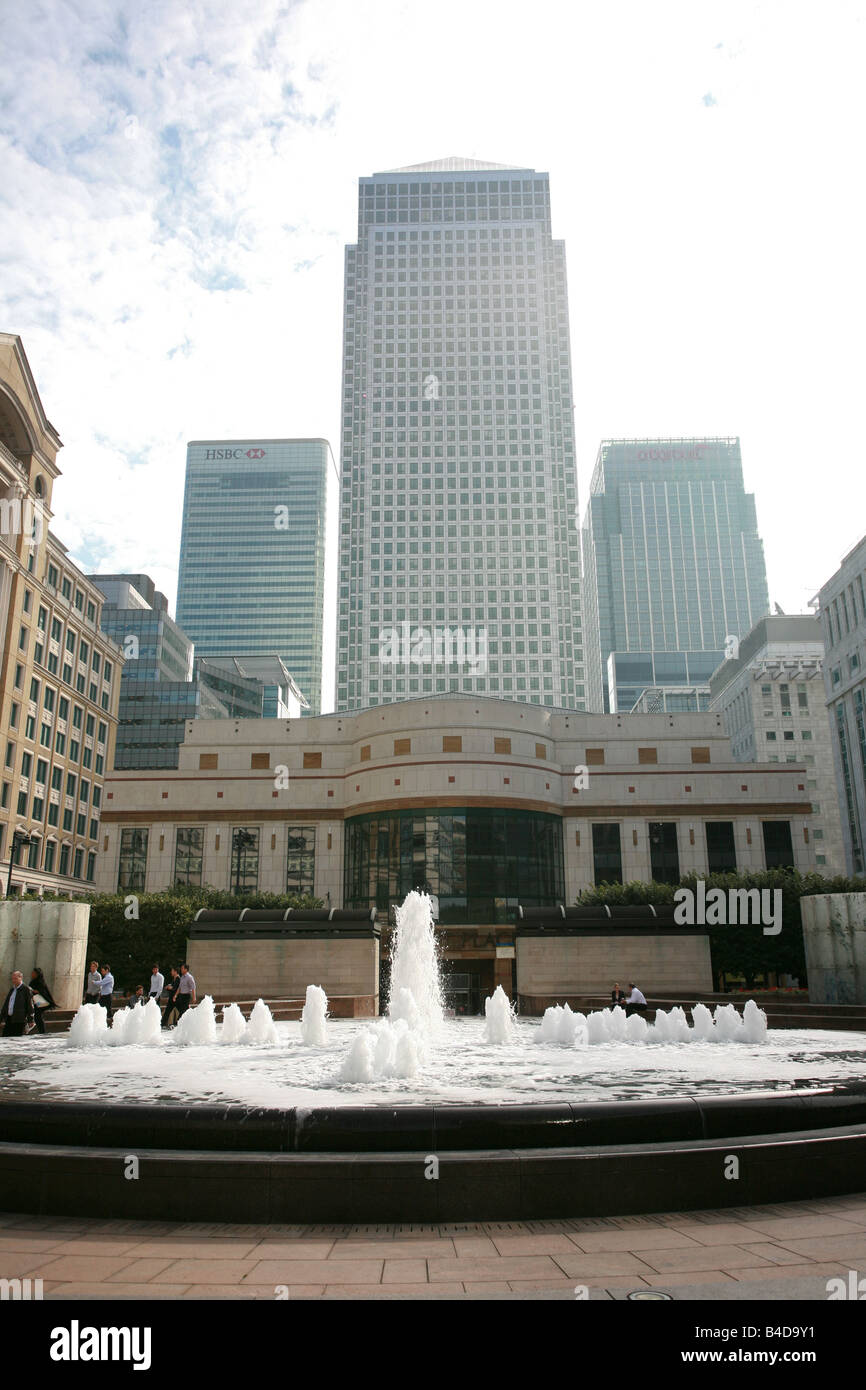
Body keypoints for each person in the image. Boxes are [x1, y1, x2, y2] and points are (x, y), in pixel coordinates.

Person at [2, 971, 34, 1038]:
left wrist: (30, 1019)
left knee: (16, 1039)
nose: (13, 980)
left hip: (19, 1020)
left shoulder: (26, 989)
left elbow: (30, 1005)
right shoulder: (12, 989)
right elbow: (6, 1004)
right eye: (12, 979)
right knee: (5, 1038)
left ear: (21, 978)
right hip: (9, 1019)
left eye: (15, 978)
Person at [30, 966, 57, 1035]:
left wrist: (37, 991)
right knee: (37, 1017)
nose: (32, 974)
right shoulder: (33, 981)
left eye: (33, 973)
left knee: (38, 1016)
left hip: (40, 1003)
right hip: (35, 1002)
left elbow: (44, 992)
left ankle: (42, 1032)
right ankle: (41, 1031)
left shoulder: (40, 982)